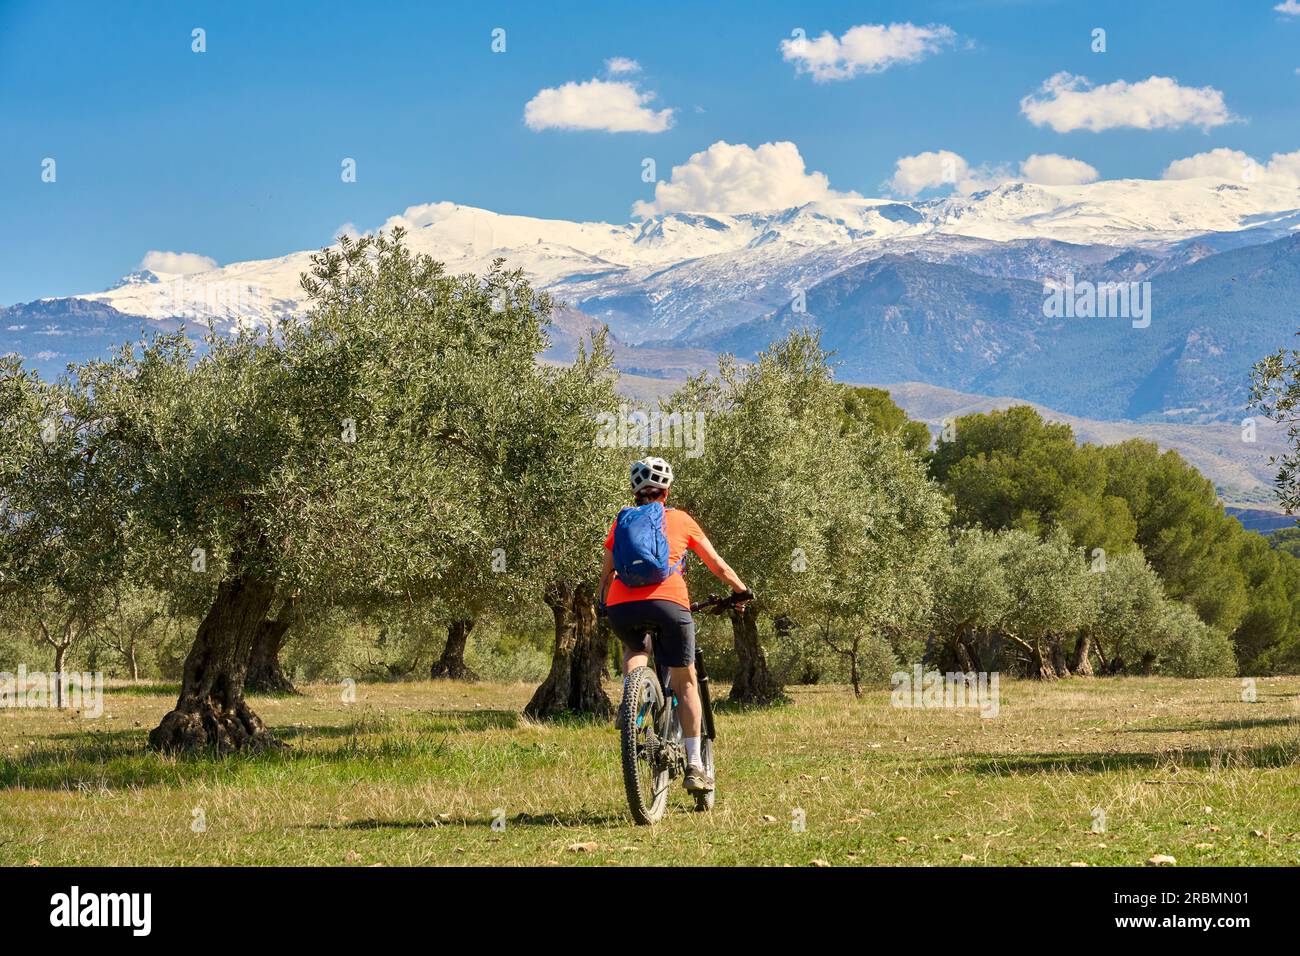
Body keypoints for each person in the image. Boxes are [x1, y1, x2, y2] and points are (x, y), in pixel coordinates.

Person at [598, 455, 749, 793]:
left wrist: (602, 602)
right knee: (686, 682)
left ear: (635, 492)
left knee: (635, 647)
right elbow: (717, 565)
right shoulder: (680, 519)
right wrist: (740, 591)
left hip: (622, 604)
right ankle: (695, 766)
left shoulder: (621, 521)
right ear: (665, 492)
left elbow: (607, 572)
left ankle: (631, 698)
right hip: (669, 603)